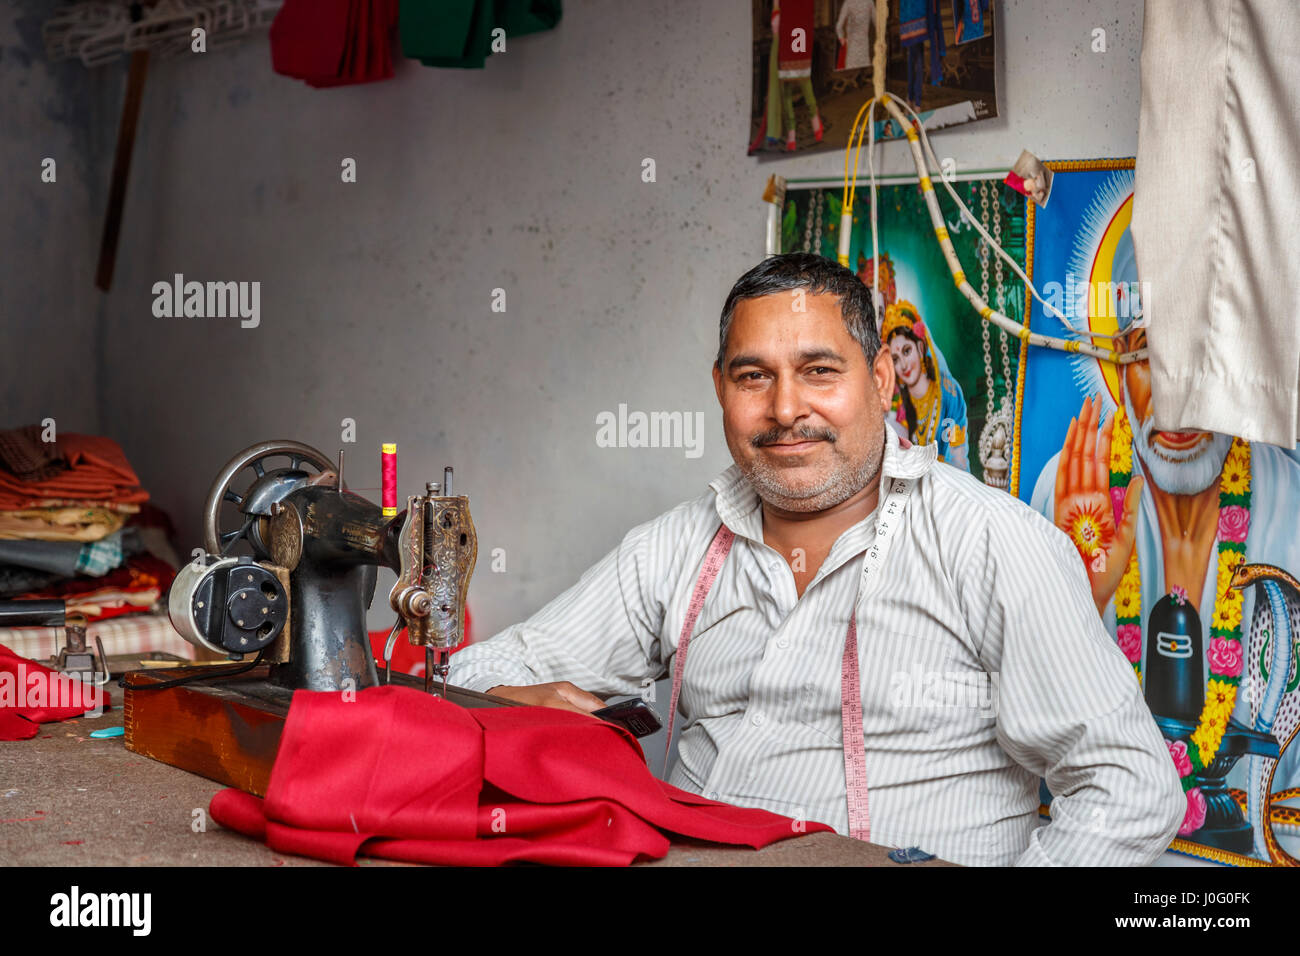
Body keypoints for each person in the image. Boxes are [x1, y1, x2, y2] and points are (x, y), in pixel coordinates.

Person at [450, 253, 1184, 866]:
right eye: (752, 377)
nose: (785, 409)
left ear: (884, 379)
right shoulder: (678, 547)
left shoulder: (993, 545)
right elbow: (469, 676)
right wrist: (514, 704)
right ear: (719, 390)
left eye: (819, 371)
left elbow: (1129, 790)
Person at [1030, 324, 1300, 844]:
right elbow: (1027, 741)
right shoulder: (1071, 493)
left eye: (1202, 347)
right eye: (1150, 354)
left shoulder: (1290, 510)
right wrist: (1080, 605)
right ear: (1117, 366)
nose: (1176, 395)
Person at [882, 301, 969, 470]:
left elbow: (959, 461)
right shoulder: (897, 405)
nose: (904, 365)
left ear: (921, 348)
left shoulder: (948, 393)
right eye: (895, 359)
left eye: (907, 351)